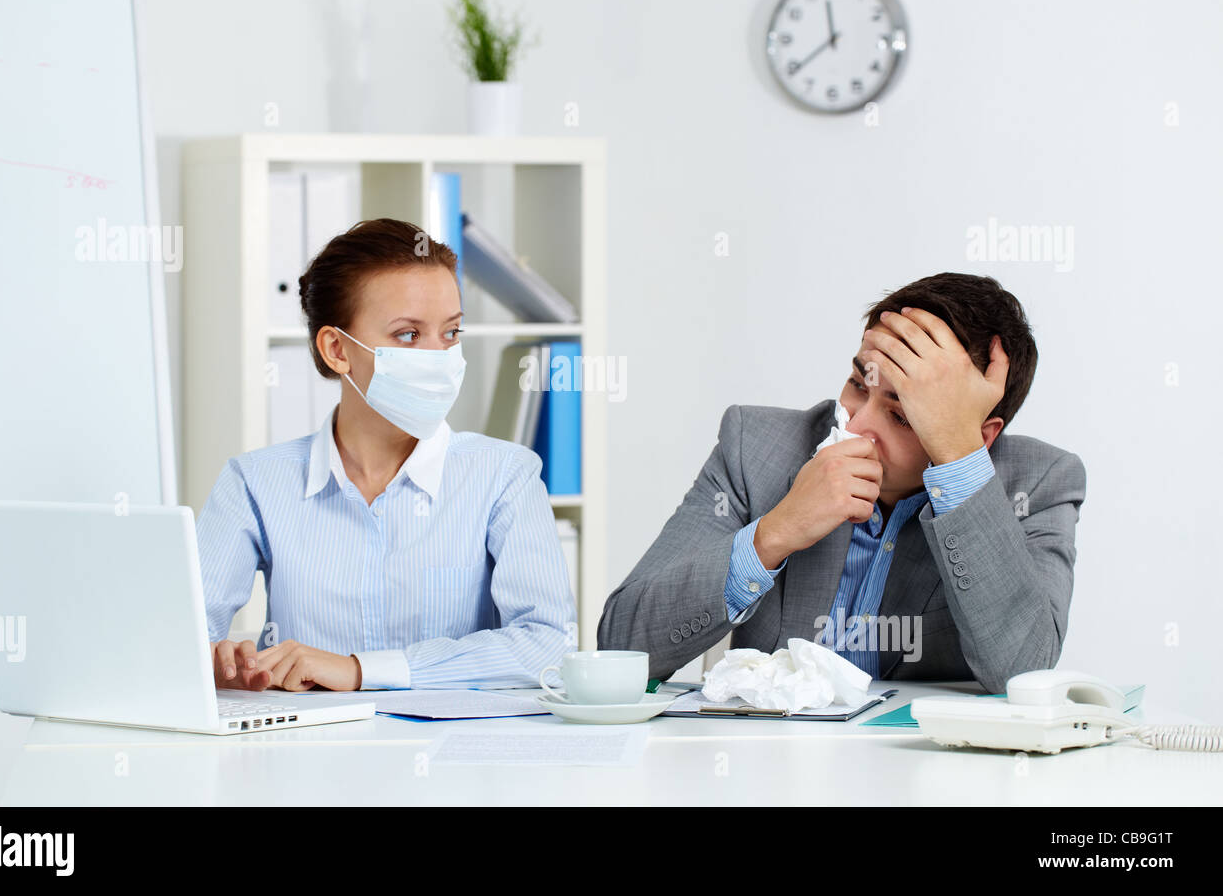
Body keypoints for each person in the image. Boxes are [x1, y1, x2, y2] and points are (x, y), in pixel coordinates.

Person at [597, 273, 1085, 694]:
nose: (855, 427)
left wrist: (958, 458)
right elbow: (622, 645)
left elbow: (1023, 672)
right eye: (858, 384)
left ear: (979, 435)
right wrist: (775, 533)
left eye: (901, 413)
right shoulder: (755, 447)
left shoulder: (1038, 483)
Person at [197, 218, 575, 692]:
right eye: (409, 335)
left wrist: (359, 670)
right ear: (337, 349)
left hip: (455, 757)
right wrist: (215, 662)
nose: (440, 356)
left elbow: (547, 645)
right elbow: (174, 639)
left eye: (451, 333)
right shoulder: (256, 482)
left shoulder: (505, 476)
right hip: (307, 756)